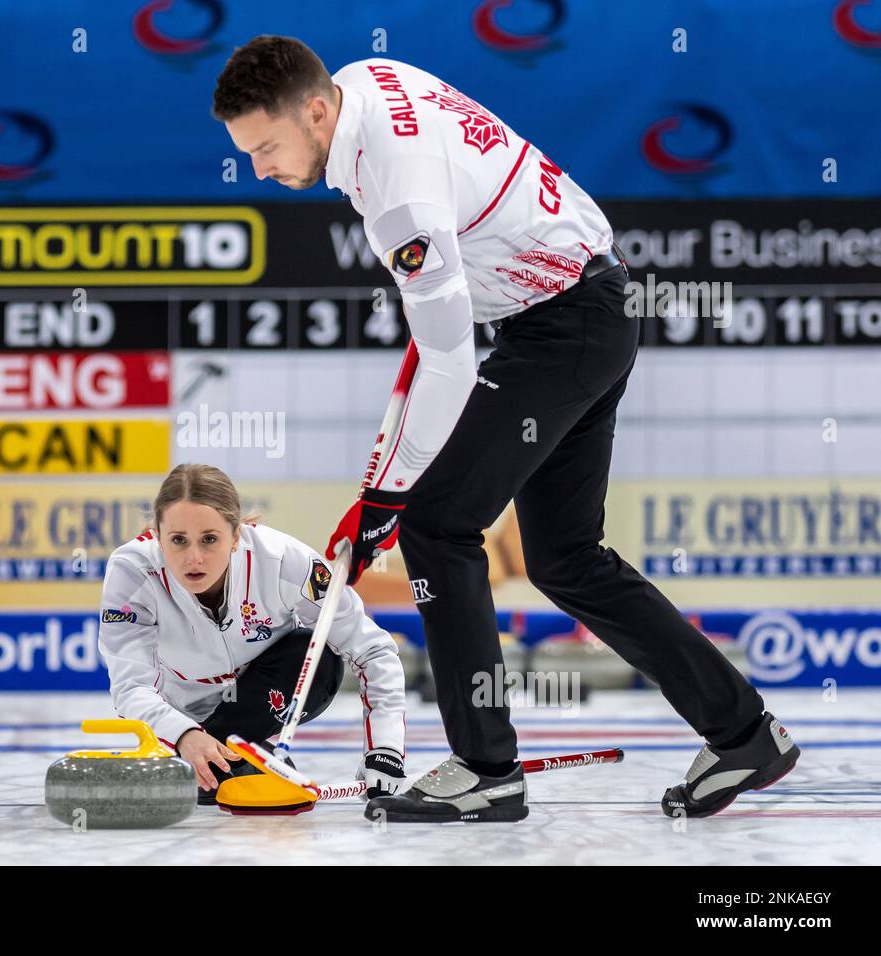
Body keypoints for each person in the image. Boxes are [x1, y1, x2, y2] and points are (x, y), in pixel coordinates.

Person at [212, 37, 799, 822]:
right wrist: (386, 485)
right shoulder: (361, 82)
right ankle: (745, 734)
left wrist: (389, 497)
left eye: (265, 148)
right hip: (589, 306)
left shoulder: (397, 194)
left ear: (315, 113)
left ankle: (486, 768)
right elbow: (437, 326)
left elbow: (449, 361)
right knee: (566, 558)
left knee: (438, 524)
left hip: (561, 326)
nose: (258, 170)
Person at [98, 463, 407, 804]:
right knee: (204, 776)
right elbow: (131, 686)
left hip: (264, 696)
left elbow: (373, 650)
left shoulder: (284, 561)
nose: (194, 558)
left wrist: (385, 749)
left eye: (210, 539)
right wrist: (183, 733)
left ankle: (234, 755)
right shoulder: (132, 571)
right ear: (157, 535)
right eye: (178, 541)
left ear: (237, 535)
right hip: (181, 711)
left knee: (316, 652)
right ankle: (227, 760)